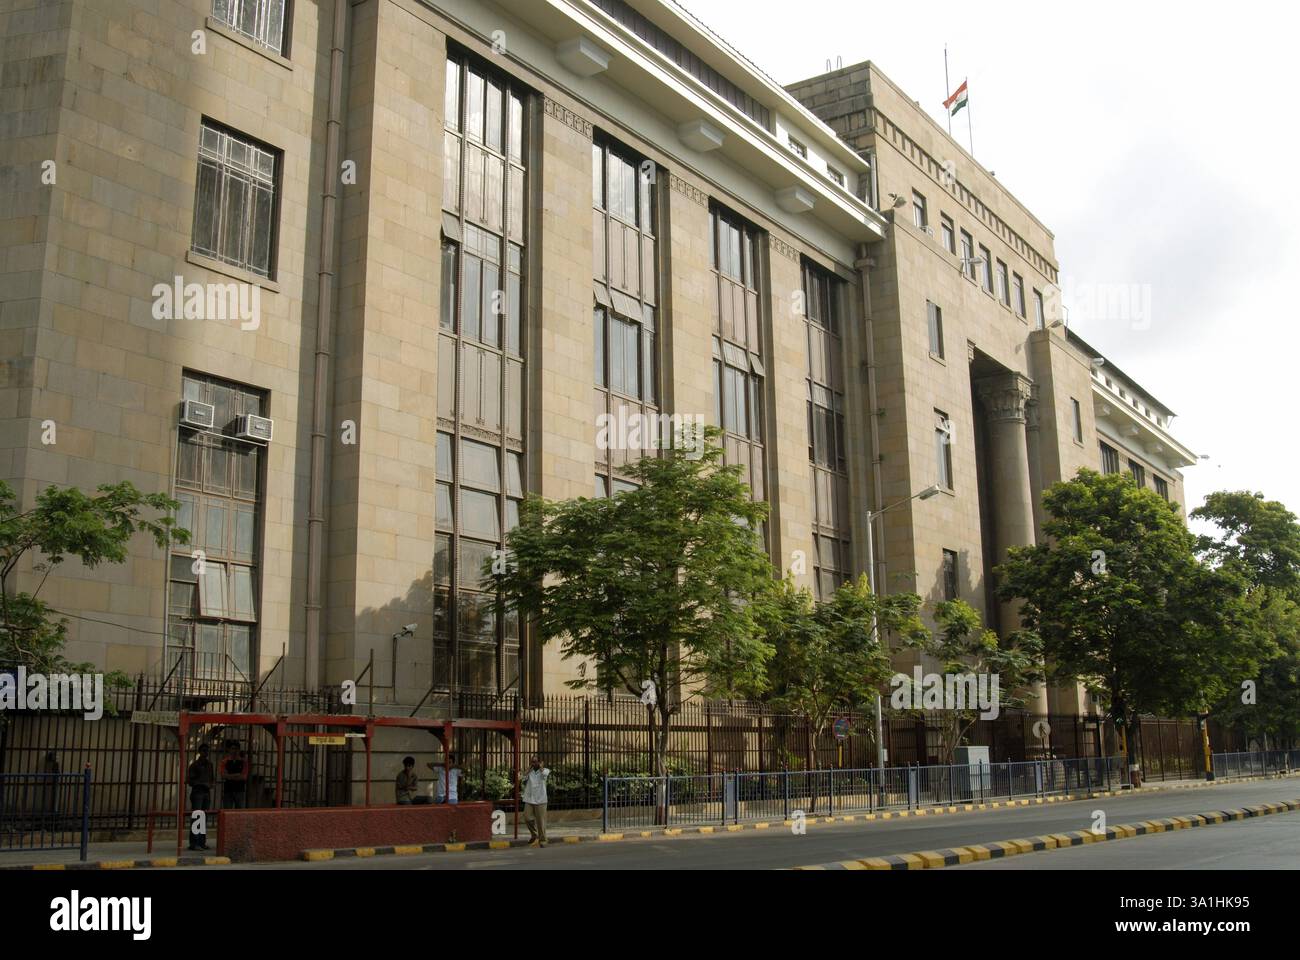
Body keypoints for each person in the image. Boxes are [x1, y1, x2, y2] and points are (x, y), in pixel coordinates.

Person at [187, 745, 214, 850]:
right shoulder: (194, 765)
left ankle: (202, 842)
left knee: (204, 818)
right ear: (199, 752)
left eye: (207, 751)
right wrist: (203, 784)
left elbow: (212, 778)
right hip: (198, 792)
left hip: (206, 793)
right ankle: (194, 843)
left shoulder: (209, 765)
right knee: (197, 817)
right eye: (204, 751)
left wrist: (210, 784)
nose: (206, 753)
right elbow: (190, 781)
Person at [521, 755, 550, 847]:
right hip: (530, 799)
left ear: (540, 762)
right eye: (532, 762)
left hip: (541, 799)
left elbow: (544, 774)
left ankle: (543, 840)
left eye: (536, 761)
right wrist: (529, 769)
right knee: (527, 817)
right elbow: (523, 778)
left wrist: (541, 767)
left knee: (541, 821)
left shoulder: (545, 770)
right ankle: (534, 834)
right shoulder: (530, 772)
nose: (534, 763)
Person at [220, 742, 249, 809]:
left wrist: (229, 776)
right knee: (227, 811)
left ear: (239, 750)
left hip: (239, 790)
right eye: (233, 748)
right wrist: (237, 774)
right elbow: (223, 776)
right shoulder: (224, 761)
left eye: (236, 749)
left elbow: (244, 777)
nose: (234, 751)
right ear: (229, 750)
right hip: (228, 790)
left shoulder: (244, 762)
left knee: (239, 812)